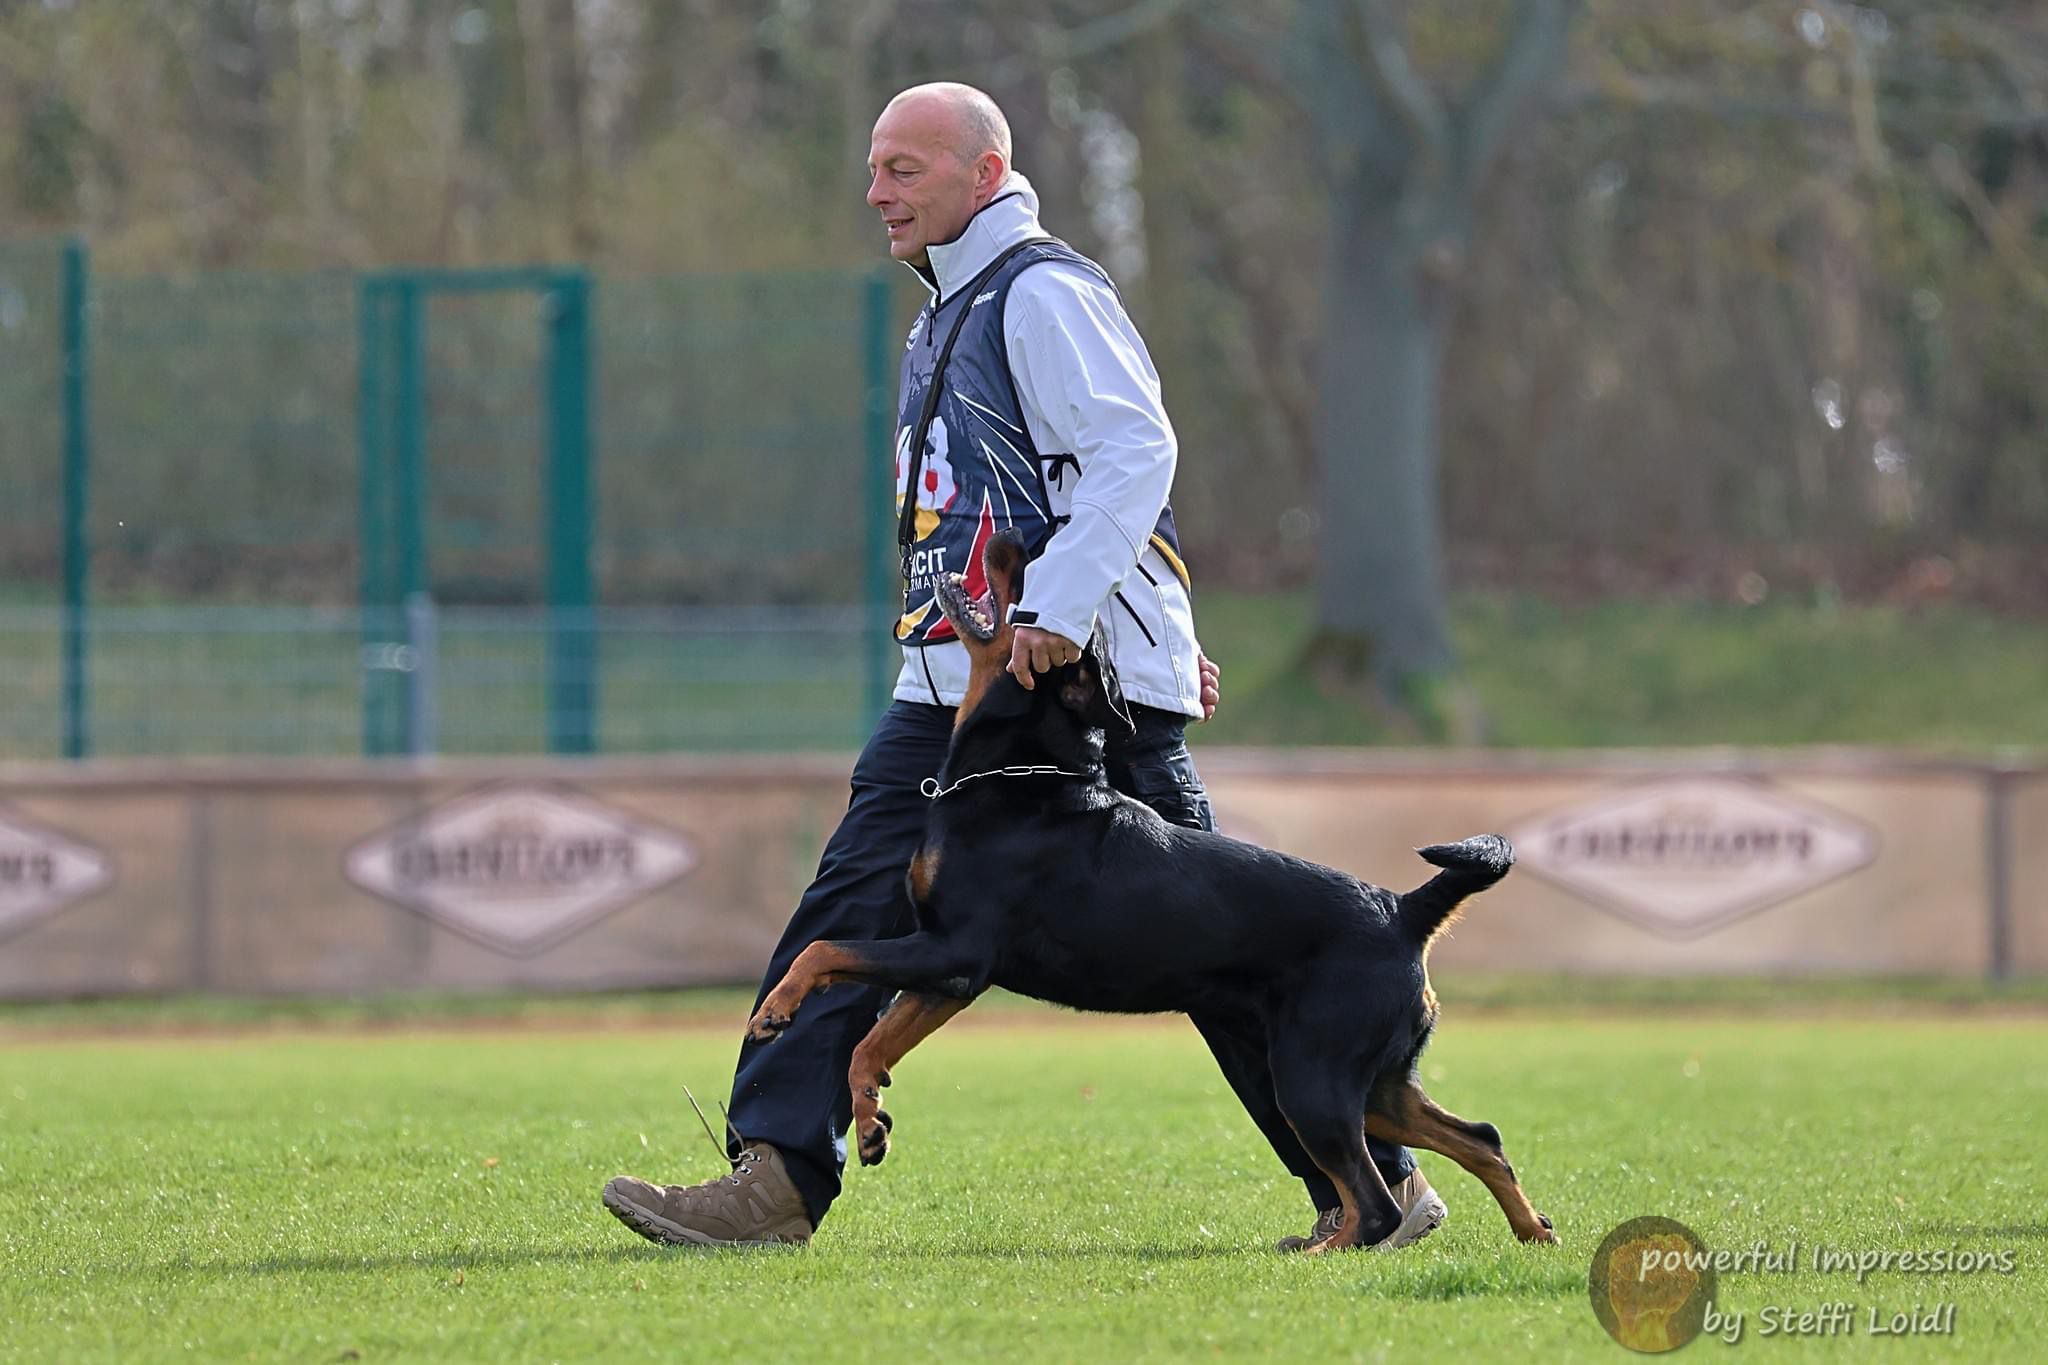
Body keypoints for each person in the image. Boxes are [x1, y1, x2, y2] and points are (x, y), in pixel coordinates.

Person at [602, 82, 1442, 1252]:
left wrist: (1085, 616)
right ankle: (774, 1182)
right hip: (945, 696)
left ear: (983, 174)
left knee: (1226, 954)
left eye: (904, 168)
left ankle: (1379, 1189)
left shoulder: (1041, 292)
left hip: (1067, 700)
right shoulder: (944, 308)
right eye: (873, 167)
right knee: (841, 907)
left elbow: (1132, 451)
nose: (875, 191)